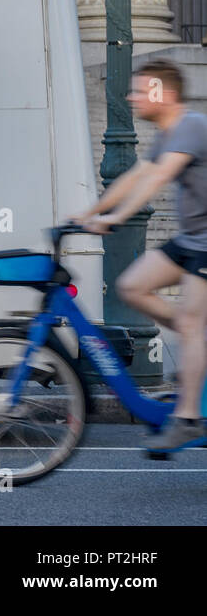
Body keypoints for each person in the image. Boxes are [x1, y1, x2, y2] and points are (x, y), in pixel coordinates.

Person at [70, 58, 207, 453]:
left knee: (193, 324)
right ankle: (196, 342)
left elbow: (159, 177)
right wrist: (91, 213)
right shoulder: (168, 134)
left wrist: (116, 217)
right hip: (192, 239)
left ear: (161, 93)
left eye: (139, 89)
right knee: (132, 286)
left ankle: (188, 419)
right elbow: (136, 175)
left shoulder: (192, 125)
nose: (130, 97)